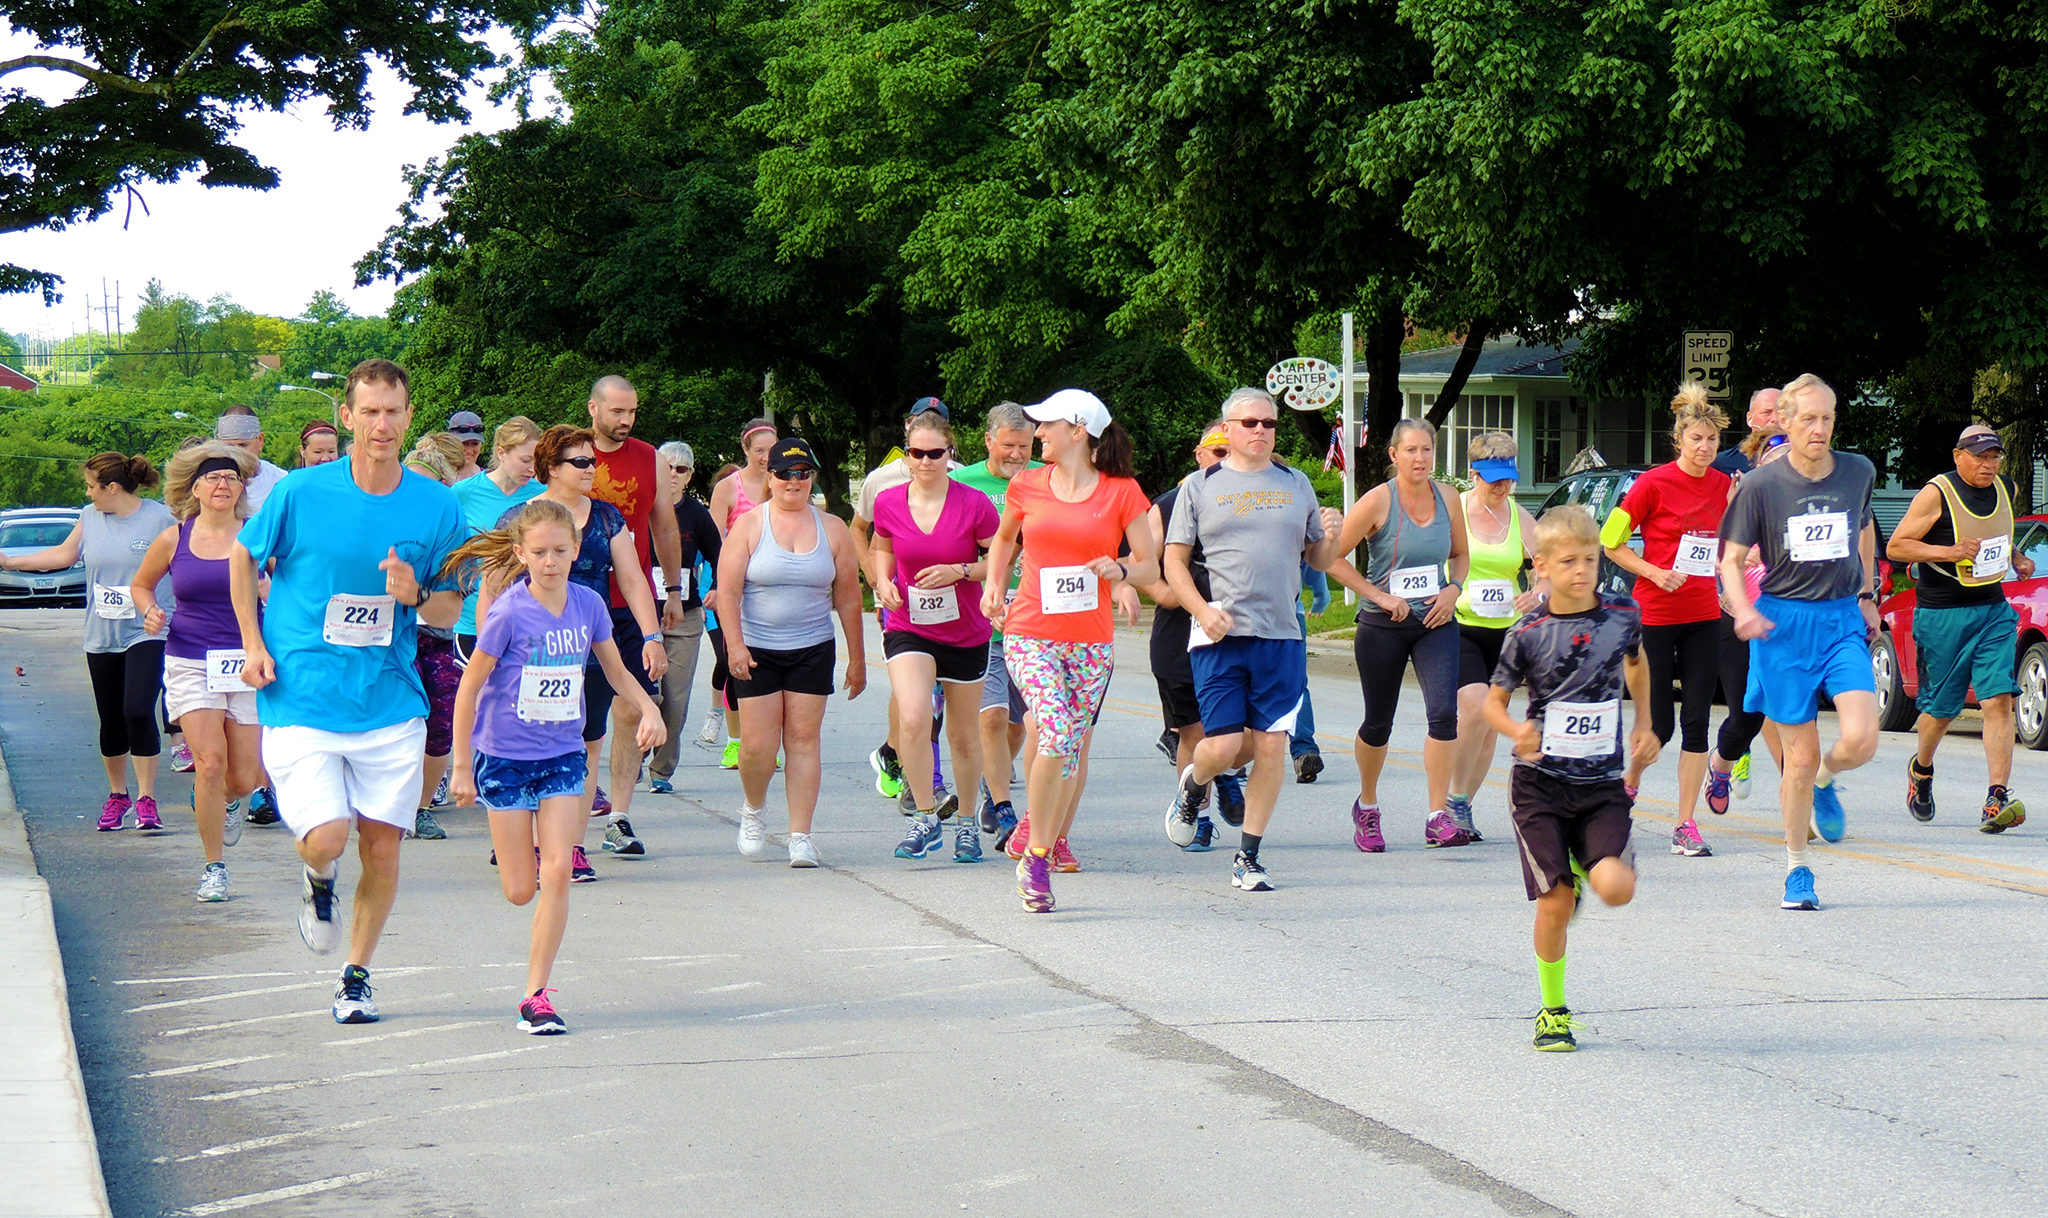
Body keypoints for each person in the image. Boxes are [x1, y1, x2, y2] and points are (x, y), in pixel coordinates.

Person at [229, 359, 467, 1024]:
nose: (381, 425)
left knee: (384, 845)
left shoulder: (435, 504)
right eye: (369, 412)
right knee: (329, 836)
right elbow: (243, 560)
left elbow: (449, 607)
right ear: (347, 417)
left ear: (410, 417)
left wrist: (415, 595)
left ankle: (356, 976)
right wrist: (252, 644)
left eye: (393, 411)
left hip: (389, 700)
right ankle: (317, 877)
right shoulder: (301, 493)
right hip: (303, 693)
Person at [447, 499, 664, 1034]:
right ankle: (527, 859)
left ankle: (536, 995)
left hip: (564, 756)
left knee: (559, 870)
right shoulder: (508, 613)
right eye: (539, 552)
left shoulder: (588, 604)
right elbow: (469, 688)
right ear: (520, 554)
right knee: (520, 889)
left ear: (575, 552)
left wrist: (650, 707)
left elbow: (614, 670)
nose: (550, 562)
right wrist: (460, 765)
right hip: (505, 758)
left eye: (560, 552)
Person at [1482, 505, 1656, 1051]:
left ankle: (1586, 865)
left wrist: (1645, 725)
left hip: (1601, 784)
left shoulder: (1623, 616)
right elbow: (1493, 702)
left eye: (1589, 559)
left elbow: (1636, 664)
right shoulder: (1527, 633)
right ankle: (1552, 1011)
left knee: (1618, 890)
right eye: (1568, 561)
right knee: (1555, 901)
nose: (1582, 571)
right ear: (1542, 566)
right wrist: (1515, 729)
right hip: (1540, 784)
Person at [1161, 388, 1345, 892]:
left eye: (1268, 423)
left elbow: (1319, 561)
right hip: (1219, 634)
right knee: (1219, 747)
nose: (1260, 430)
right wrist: (1200, 610)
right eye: (1249, 423)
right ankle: (1194, 785)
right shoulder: (1199, 487)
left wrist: (1332, 534)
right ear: (1228, 429)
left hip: (1281, 635)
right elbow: (1174, 562)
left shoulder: (1297, 482)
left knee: (1269, 747)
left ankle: (1248, 856)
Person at [982, 389, 1156, 912]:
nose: (1037, 434)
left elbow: (1148, 563)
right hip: (1030, 630)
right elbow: (1004, 541)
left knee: (1069, 749)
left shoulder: (1122, 492)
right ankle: (1036, 859)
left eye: (1046, 425)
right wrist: (994, 585)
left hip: (1090, 641)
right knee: (1054, 733)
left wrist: (1119, 571)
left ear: (1078, 431)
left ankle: (1040, 827)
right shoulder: (1028, 485)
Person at [1719, 374, 1882, 912]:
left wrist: (1868, 592)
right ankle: (1797, 868)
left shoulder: (1858, 471)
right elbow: (1730, 560)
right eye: (1808, 418)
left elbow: (1861, 530)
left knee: (1862, 738)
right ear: (1783, 423)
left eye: (1828, 418)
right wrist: (1742, 609)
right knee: (1799, 754)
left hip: (1838, 621)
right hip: (1782, 625)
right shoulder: (1760, 487)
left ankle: (1824, 783)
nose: (1819, 429)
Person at [480, 425, 668, 876]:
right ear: (551, 468)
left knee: (585, 747)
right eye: (581, 462)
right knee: (526, 748)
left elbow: (633, 579)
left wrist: (652, 636)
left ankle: (571, 845)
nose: (592, 468)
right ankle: (524, 837)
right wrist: (489, 650)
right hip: (527, 655)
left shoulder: (605, 518)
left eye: (592, 461)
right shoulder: (518, 519)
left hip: (587, 648)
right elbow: (492, 588)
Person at [2, 453, 174, 832]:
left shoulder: (160, 519)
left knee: (138, 711)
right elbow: (65, 555)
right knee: (111, 717)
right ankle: (118, 795)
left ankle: (146, 798)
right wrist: (10, 562)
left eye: (91, 485)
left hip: (147, 629)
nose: (87, 492)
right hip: (102, 632)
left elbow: (184, 566)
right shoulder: (89, 516)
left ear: (112, 488)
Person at [716, 437, 867, 867]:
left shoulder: (833, 528)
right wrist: (735, 646)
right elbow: (727, 591)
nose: (793, 482)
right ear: (771, 477)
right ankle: (754, 809)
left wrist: (857, 658)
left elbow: (849, 598)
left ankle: (800, 834)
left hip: (812, 648)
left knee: (803, 740)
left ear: (812, 478)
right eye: (785, 474)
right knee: (759, 747)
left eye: (802, 474)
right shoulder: (749, 525)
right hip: (757, 648)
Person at [1599, 384, 1733, 857]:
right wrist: (1655, 571)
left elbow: (1729, 543)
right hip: (1654, 616)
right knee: (1659, 727)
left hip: (1703, 615)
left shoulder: (1724, 486)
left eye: (1712, 440)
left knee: (1696, 722)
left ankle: (1685, 824)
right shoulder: (1651, 484)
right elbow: (1609, 541)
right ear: (1679, 440)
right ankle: (1629, 783)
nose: (1704, 448)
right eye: (1696, 438)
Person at [1328, 418, 1472, 852]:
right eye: (1410, 450)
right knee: (1378, 723)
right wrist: (1380, 595)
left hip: (1435, 622)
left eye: (1426, 450)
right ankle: (1367, 807)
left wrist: (1453, 589)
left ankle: (1436, 816)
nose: (1420, 458)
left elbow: (1461, 554)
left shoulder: (1448, 497)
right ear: (1393, 455)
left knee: (1445, 715)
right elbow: (1331, 559)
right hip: (1382, 624)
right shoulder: (1377, 501)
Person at [130, 443, 263, 900]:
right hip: (190, 658)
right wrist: (149, 611)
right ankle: (214, 867)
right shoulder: (175, 537)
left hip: (247, 660)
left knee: (246, 777)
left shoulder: (258, 534)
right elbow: (142, 584)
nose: (222, 484)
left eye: (230, 477)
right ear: (196, 488)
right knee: (209, 762)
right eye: (212, 478)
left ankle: (227, 803)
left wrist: (270, 588)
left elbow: (290, 587)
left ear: (242, 487)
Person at [1887, 424, 2036, 831]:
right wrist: (1949, 552)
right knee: (1940, 710)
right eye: (1980, 456)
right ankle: (1921, 768)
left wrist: (2016, 555)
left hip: (1992, 610)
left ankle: (1996, 798)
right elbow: (1897, 546)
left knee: (1997, 700)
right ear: (1958, 456)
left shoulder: (2007, 487)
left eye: (1994, 457)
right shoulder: (1938, 493)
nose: (1989, 464)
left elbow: (1997, 533)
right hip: (1942, 615)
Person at [870, 412, 1000, 862]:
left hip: (965, 631)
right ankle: (925, 814)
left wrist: (960, 571)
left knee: (964, 736)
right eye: (916, 453)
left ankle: (966, 823)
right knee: (913, 716)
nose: (925, 462)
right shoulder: (888, 502)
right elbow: (880, 548)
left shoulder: (975, 504)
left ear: (950, 454)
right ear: (907, 455)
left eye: (935, 453)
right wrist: (882, 582)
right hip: (908, 625)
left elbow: (998, 562)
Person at [584, 376, 684, 843]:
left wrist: (673, 589)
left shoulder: (650, 458)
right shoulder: (570, 452)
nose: (625, 421)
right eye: (617, 412)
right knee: (581, 720)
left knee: (632, 710)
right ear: (593, 409)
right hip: (577, 604)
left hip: (632, 602)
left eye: (632, 412)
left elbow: (664, 525)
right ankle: (550, 818)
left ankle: (617, 816)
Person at [854, 397, 955, 806]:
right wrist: (879, 580)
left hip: (952, 603)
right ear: (908, 428)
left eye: (938, 430)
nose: (926, 458)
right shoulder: (881, 480)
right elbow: (858, 531)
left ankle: (893, 752)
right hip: (900, 600)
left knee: (937, 692)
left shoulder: (961, 479)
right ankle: (925, 782)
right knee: (917, 688)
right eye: (918, 444)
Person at [1447, 431, 1547, 841]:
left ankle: (1464, 805)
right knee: (1473, 708)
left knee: (1491, 725)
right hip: (1462, 625)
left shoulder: (1520, 517)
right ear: (1473, 474)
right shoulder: (1455, 511)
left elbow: (1547, 569)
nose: (1502, 487)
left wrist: (1536, 594)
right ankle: (1451, 800)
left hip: (1506, 632)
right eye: (1493, 480)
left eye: (1508, 479)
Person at [950, 403, 1040, 848]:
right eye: (1009, 446)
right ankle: (1004, 809)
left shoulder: (1047, 478)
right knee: (991, 717)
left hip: (1035, 624)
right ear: (989, 441)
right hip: (981, 624)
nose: (1017, 455)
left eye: (1025, 446)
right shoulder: (962, 483)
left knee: (1020, 723)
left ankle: (993, 782)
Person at [1141, 423, 1229, 851]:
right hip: (1179, 636)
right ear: (1199, 455)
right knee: (1192, 731)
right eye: (1216, 452)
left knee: (1240, 729)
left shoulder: (1255, 499)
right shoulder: (1169, 503)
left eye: (1231, 453)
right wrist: (1164, 593)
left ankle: (1222, 770)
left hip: (1237, 631)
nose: (1223, 461)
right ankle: (1201, 813)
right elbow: (1142, 560)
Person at [1706, 428, 1792, 809]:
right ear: (1759, 466)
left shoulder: (1808, 504)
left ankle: (1800, 794)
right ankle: (1722, 764)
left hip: (1786, 623)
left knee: (1794, 713)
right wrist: (1741, 557)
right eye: (1775, 462)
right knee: (1746, 718)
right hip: (1738, 621)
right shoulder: (1740, 498)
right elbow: (1713, 556)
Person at [646, 441, 722, 798]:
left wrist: (719, 587)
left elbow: (721, 555)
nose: (673, 475)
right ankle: (632, 758)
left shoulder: (697, 514)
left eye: (682, 469)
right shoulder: (641, 507)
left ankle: (661, 769)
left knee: (675, 698)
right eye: (667, 468)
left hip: (686, 616)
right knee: (645, 695)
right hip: (642, 615)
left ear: (690, 475)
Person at [399, 439, 464, 841]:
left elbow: (460, 583)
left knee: (440, 725)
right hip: (392, 638)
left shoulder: (448, 521)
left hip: (438, 637)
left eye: (426, 482)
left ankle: (422, 808)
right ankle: (393, 806)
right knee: (396, 724)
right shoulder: (384, 514)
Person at [708, 419, 779, 769]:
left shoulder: (784, 482)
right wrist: (718, 585)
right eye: (759, 451)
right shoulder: (728, 488)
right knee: (733, 662)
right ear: (746, 452)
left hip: (773, 589)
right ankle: (736, 742)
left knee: (773, 664)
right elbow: (713, 540)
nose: (767, 458)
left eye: (772, 450)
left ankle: (766, 742)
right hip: (737, 588)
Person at [214, 406, 289, 510]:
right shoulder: (208, 483)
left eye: (243, 445)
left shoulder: (281, 482)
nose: (236, 453)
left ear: (260, 440)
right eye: (229, 447)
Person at [1710, 387, 1782, 477]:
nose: (1775, 419)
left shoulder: (1801, 458)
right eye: (1767, 412)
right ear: (1749, 419)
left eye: (1781, 412)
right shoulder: (1723, 462)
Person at [446, 410, 487, 481]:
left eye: (475, 444)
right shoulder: (438, 479)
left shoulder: (488, 479)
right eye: (464, 443)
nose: (469, 451)